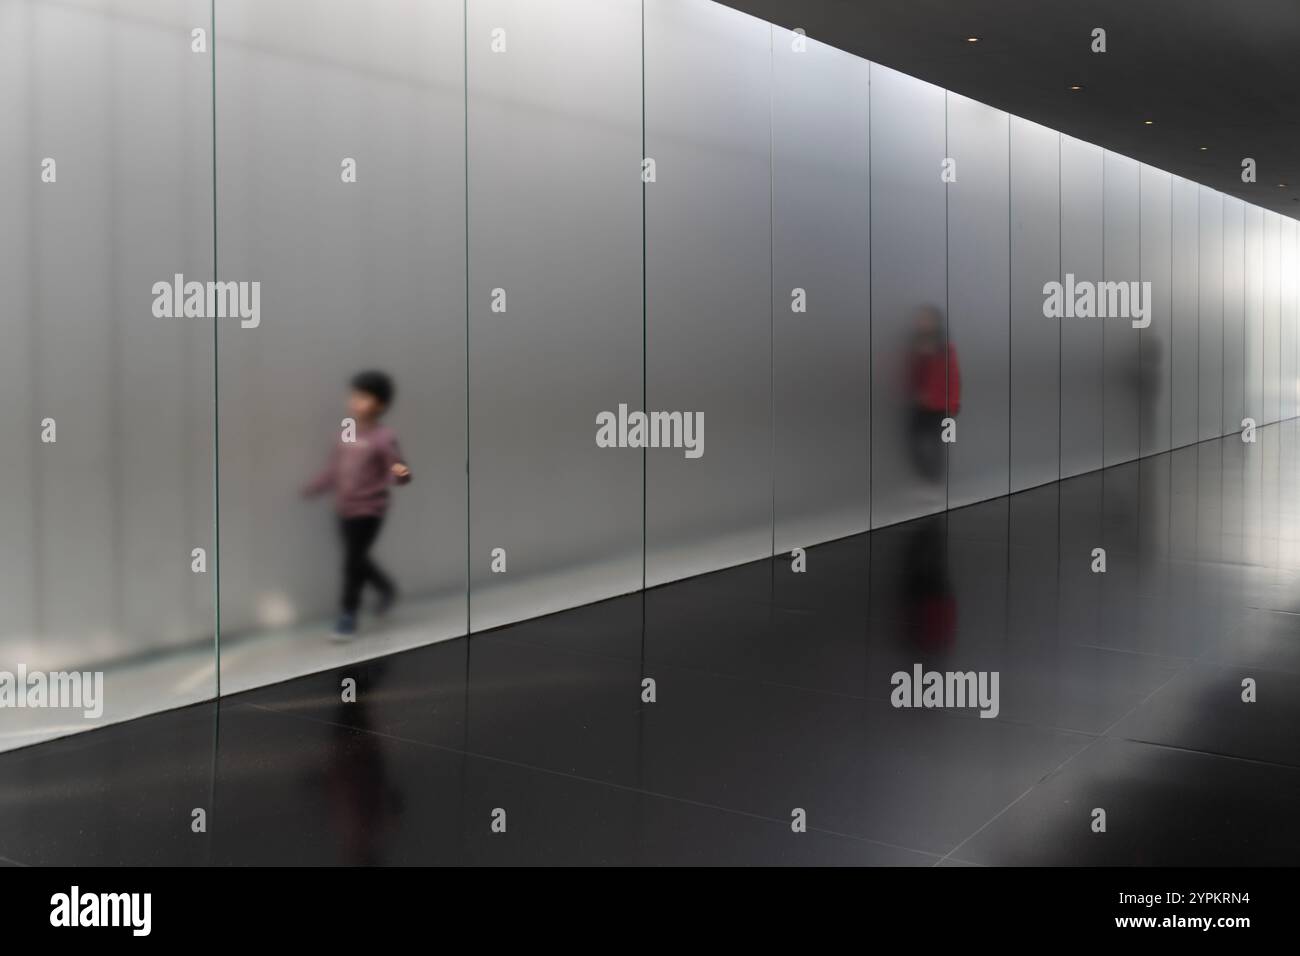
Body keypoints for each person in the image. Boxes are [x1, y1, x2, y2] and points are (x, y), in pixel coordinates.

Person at [302, 370, 412, 639]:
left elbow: (396, 469)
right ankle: (385, 587)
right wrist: (316, 487)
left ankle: (347, 615)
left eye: (363, 397)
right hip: (343, 509)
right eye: (354, 395)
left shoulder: (384, 437)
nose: (355, 401)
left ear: (380, 404)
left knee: (352, 562)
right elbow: (335, 468)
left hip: (370, 510)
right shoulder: (346, 432)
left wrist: (401, 475)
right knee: (357, 558)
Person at [906, 305, 960, 482]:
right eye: (921, 319)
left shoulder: (945, 348)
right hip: (920, 405)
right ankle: (927, 477)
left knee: (937, 445)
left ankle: (935, 481)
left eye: (927, 319)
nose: (922, 322)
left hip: (939, 406)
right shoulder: (915, 346)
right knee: (914, 442)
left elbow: (953, 377)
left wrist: (953, 406)